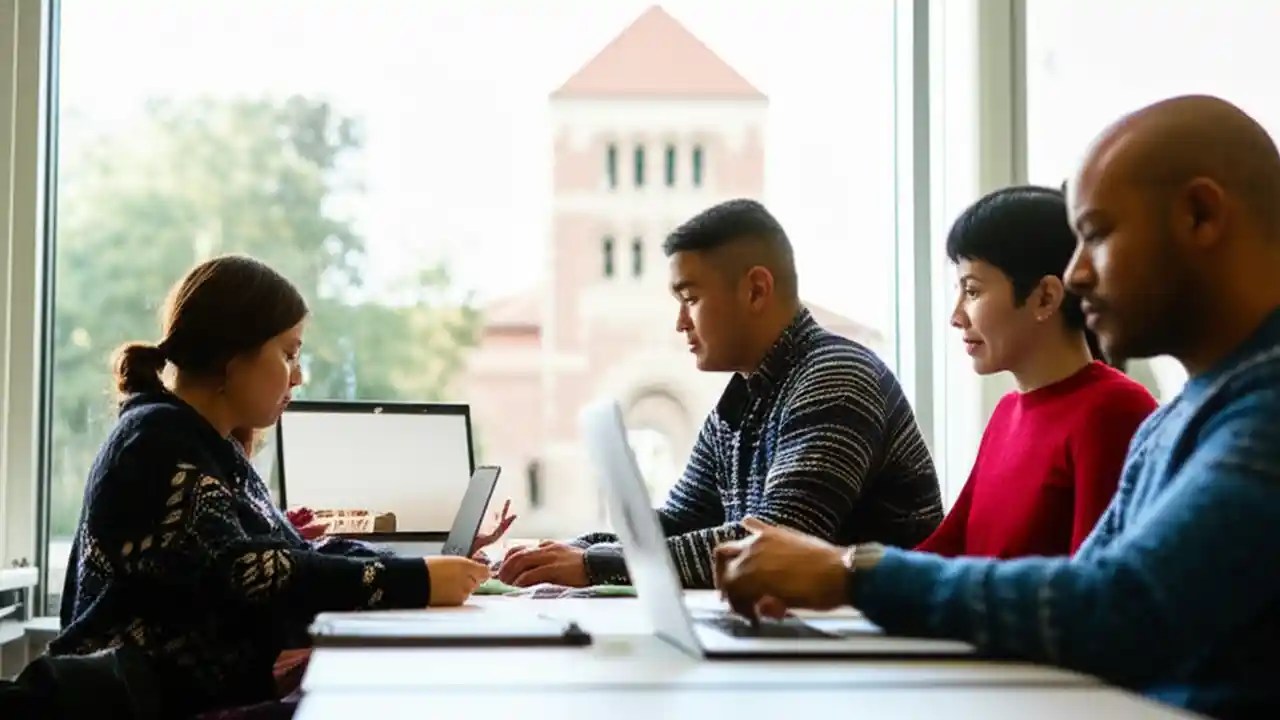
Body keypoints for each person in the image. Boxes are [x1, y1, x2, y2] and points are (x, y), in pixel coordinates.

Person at [713, 95, 1280, 720]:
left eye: (1096, 234)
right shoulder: (1178, 420)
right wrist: (829, 577)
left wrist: (851, 575)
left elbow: (1121, 610)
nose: (1078, 275)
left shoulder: (1265, 411)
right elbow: (1079, 599)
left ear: (1200, 216)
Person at [50, 255, 491, 718]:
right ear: (232, 355)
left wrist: (417, 568)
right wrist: (415, 579)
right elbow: (252, 572)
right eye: (288, 353)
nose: (297, 375)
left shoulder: (205, 446)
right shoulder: (155, 442)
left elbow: (294, 552)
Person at [497, 199, 943, 589]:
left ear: (755, 290)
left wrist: (594, 565)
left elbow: (772, 545)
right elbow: (674, 524)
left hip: (875, 652)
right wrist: (566, 552)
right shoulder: (740, 403)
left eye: (689, 298)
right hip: (815, 639)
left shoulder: (837, 378)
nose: (680, 322)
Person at [915, 186, 1157, 558]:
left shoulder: (1114, 410)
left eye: (973, 291)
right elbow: (948, 548)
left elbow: (1091, 585)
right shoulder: (1007, 412)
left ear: (1045, 297)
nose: (956, 315)